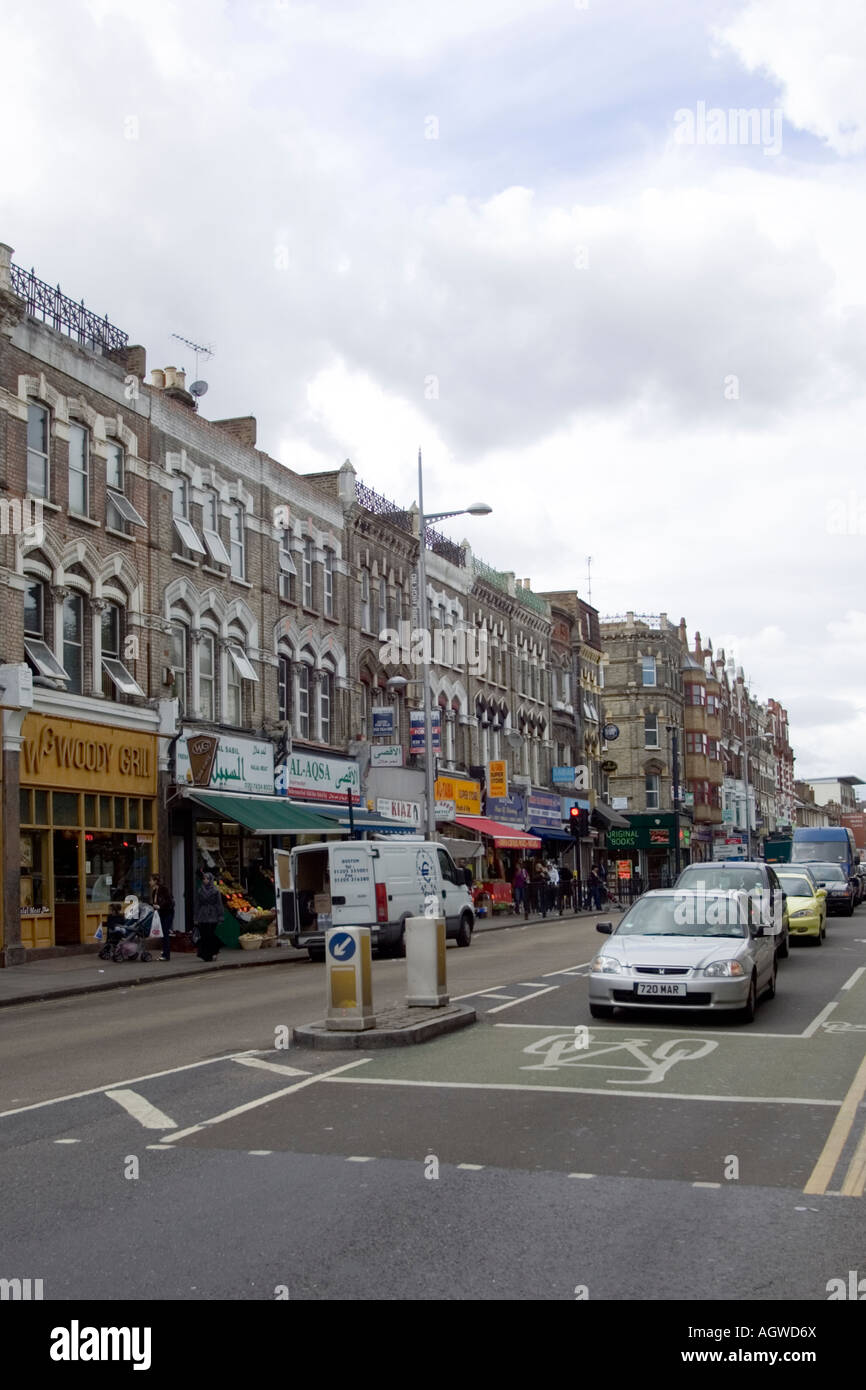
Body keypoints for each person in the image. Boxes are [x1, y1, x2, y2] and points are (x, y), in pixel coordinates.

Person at [194, 871, 223, 962]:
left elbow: (219, 904)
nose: (205, 880)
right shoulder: (200, 890)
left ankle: (213, 952)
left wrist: (220, 916)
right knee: (204, 935)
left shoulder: (215, 891)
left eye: (207, 879)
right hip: (203, 914)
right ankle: (205, 954)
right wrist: (196, 917)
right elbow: (197, 904)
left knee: (210, 934)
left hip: (212, 914)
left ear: (211, 880)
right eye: (204, 879)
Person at [149, 874, 174, 961]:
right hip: (161, 914)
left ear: (155, 881)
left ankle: (166, 955)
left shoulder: (163, 889)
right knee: (163, 933)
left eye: (151, 880)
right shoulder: (154, 891)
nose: (149, 882)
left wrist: (160, 906)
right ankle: (164, 952)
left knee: (165, 933)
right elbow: (155, 903)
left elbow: (169, 901)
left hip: (167, 913)